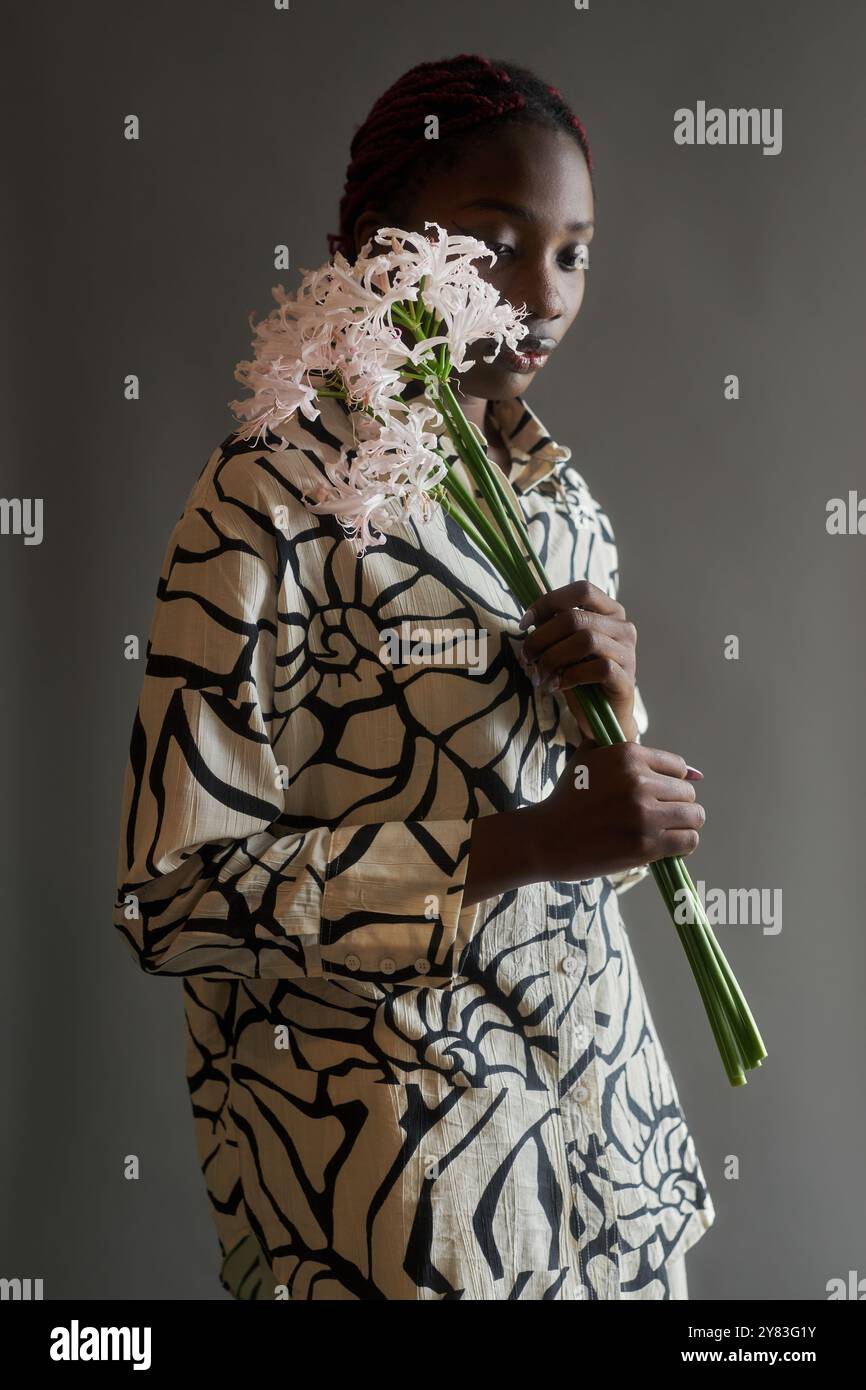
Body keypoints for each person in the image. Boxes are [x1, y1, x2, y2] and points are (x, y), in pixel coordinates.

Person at [113, 53, 714, 1301]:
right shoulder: (264, 501)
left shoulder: (557, 499)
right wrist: (524, 846)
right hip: (401, 1189)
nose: (542, 295)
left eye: (573, 253)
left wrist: (618, 708)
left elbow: (575, 804)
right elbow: (174, 897)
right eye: (496, 243)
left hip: (610, 1152)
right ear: (383, 249)